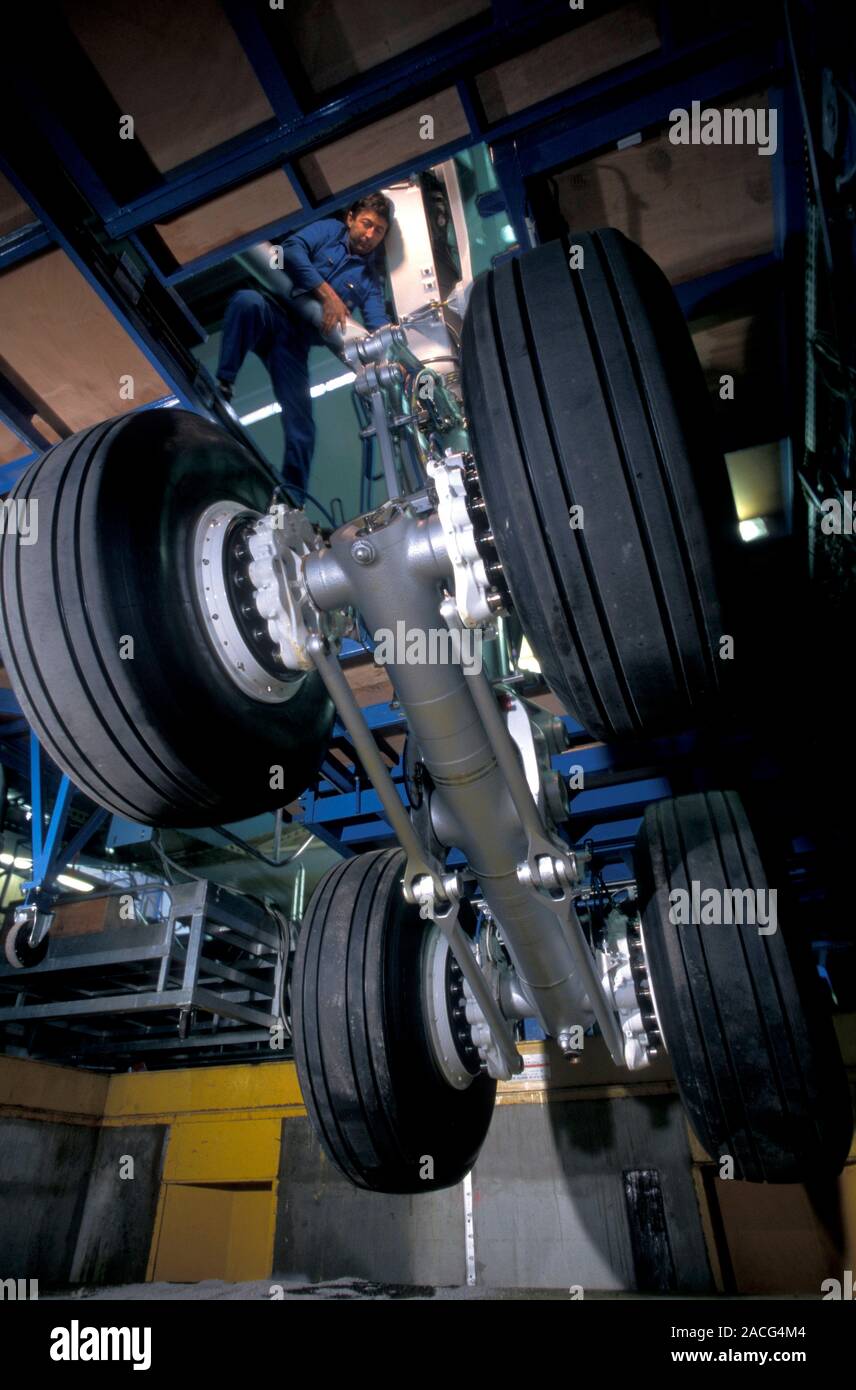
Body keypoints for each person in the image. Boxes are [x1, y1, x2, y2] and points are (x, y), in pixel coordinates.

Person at [216, 193, 391, 498]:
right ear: (350, 218)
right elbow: (291, 250)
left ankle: (291, 502)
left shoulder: (369, 280)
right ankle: (223, 384)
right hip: (271, 312)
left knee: (303, 431)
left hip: (293, 345)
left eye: (379, 231)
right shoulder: (328, 230)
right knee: (245, 302)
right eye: (366, 224)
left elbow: (378, 330)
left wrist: (393, 361)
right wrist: (329, 296)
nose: (369, 235)